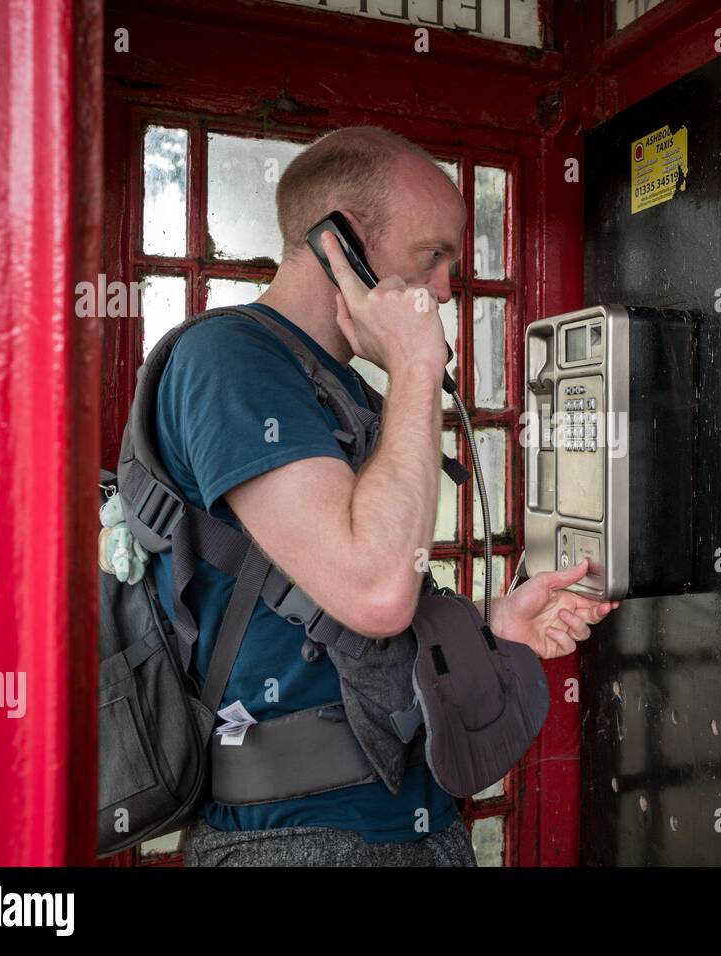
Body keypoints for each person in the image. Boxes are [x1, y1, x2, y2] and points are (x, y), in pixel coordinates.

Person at [152, 126, 619, 866]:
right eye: (431, 256)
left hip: (414, 817)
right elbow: (374, 592)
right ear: (340, 240)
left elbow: (338, 615)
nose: (443, 290)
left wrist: (492, 623)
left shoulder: (334, 387)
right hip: (299, 839)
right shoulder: (230, 361)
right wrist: (412, 366)